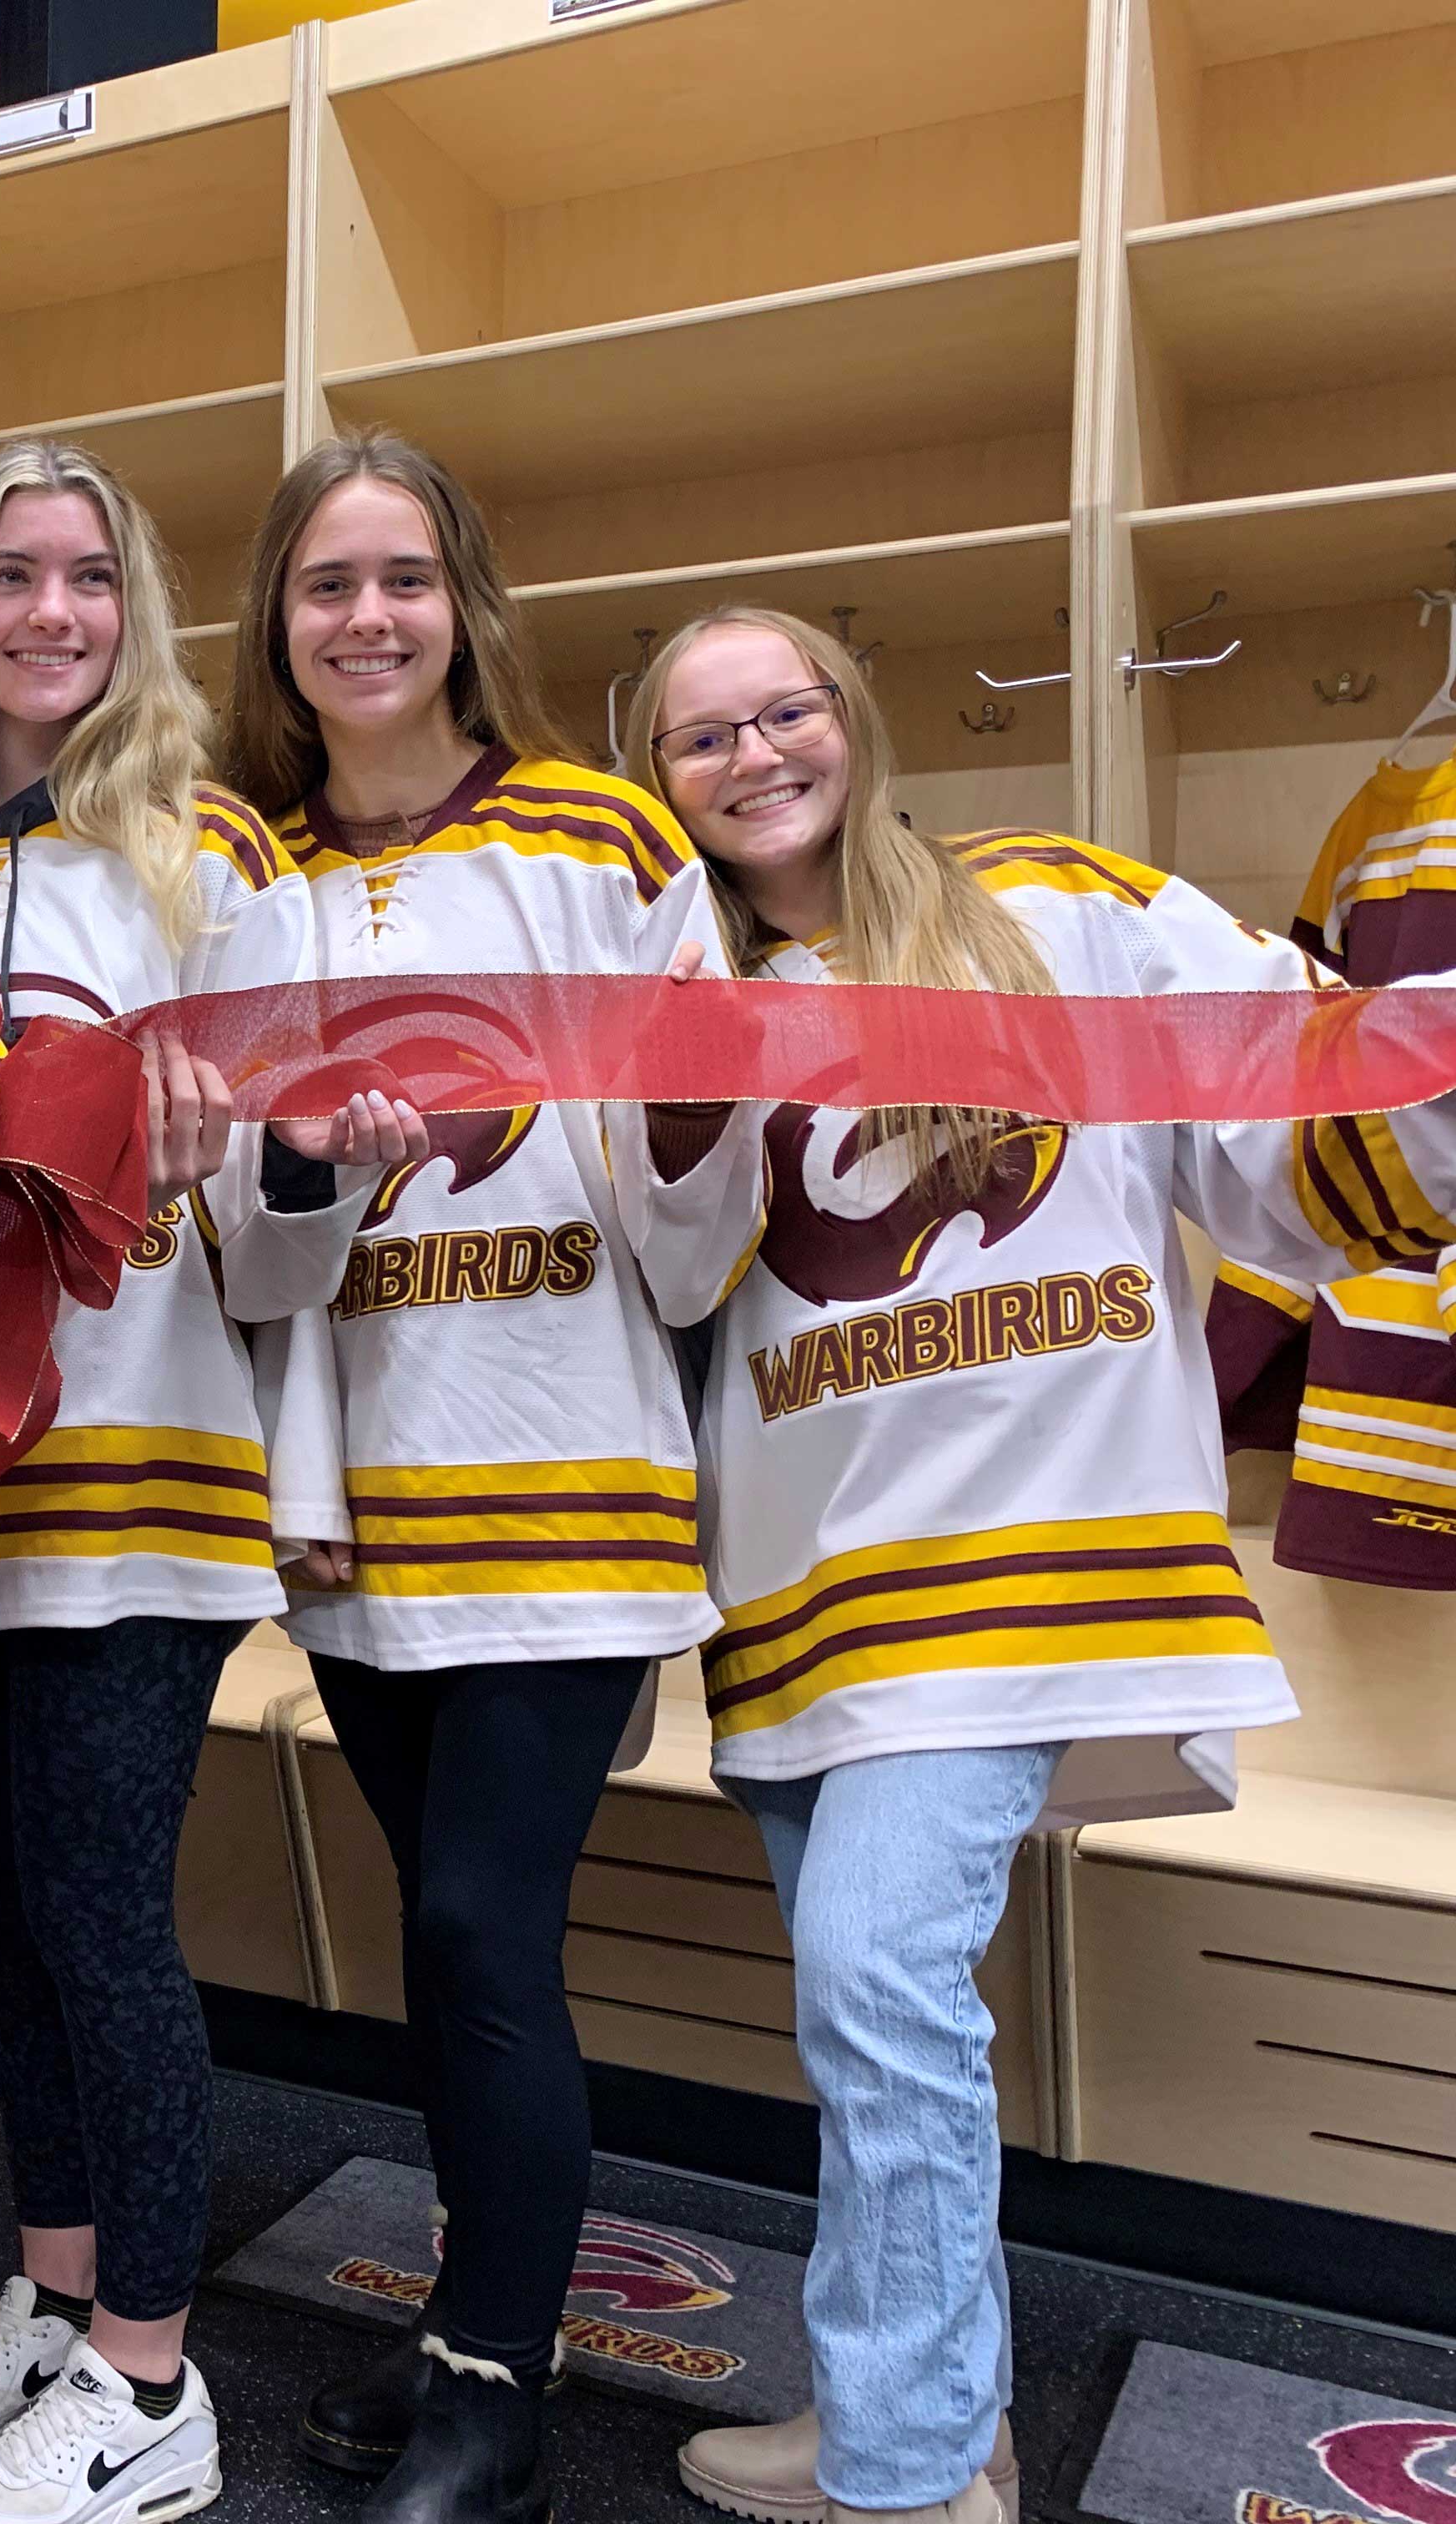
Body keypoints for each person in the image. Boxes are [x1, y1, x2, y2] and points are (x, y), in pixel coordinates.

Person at [612, 608, 1456, 2524]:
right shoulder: (680, 997)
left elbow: (1299, 1130)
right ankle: (906, 2402)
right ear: (661, 783)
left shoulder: (1064, 905)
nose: (753, 756)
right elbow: (671, 1279)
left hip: (1024, 1574)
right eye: (700, 738)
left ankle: (914, 2480)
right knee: (866, 2033)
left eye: (787, 709)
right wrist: (684, 1092)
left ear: (856, 719)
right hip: (804, 1600)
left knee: (875, 1984)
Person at [0, 438, 421, 2524]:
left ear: (135, 609)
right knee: (10, 1925)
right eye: (12, 575)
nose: (54, 615)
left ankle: (152, 2382)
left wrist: (252, 1161)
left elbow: (293, 1261)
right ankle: (53, 2293)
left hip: (144, 1481)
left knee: (104, 1925)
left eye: (92, 576)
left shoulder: (214, 862)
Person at [219, 426, 717, 2524]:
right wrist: (312, 1166)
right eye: (328, 585)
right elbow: (247, 1253)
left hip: (570, 1497)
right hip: (363, 1520)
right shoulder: (249, 874)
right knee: (446, 1952)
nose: (368, 619)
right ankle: (463, 2335)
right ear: (282, 624)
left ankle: (497, 2398)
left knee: (480, 1938)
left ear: (464, 604)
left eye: (403, 578)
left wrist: (697, 1114)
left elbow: (695, 1228)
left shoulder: (610, 842)